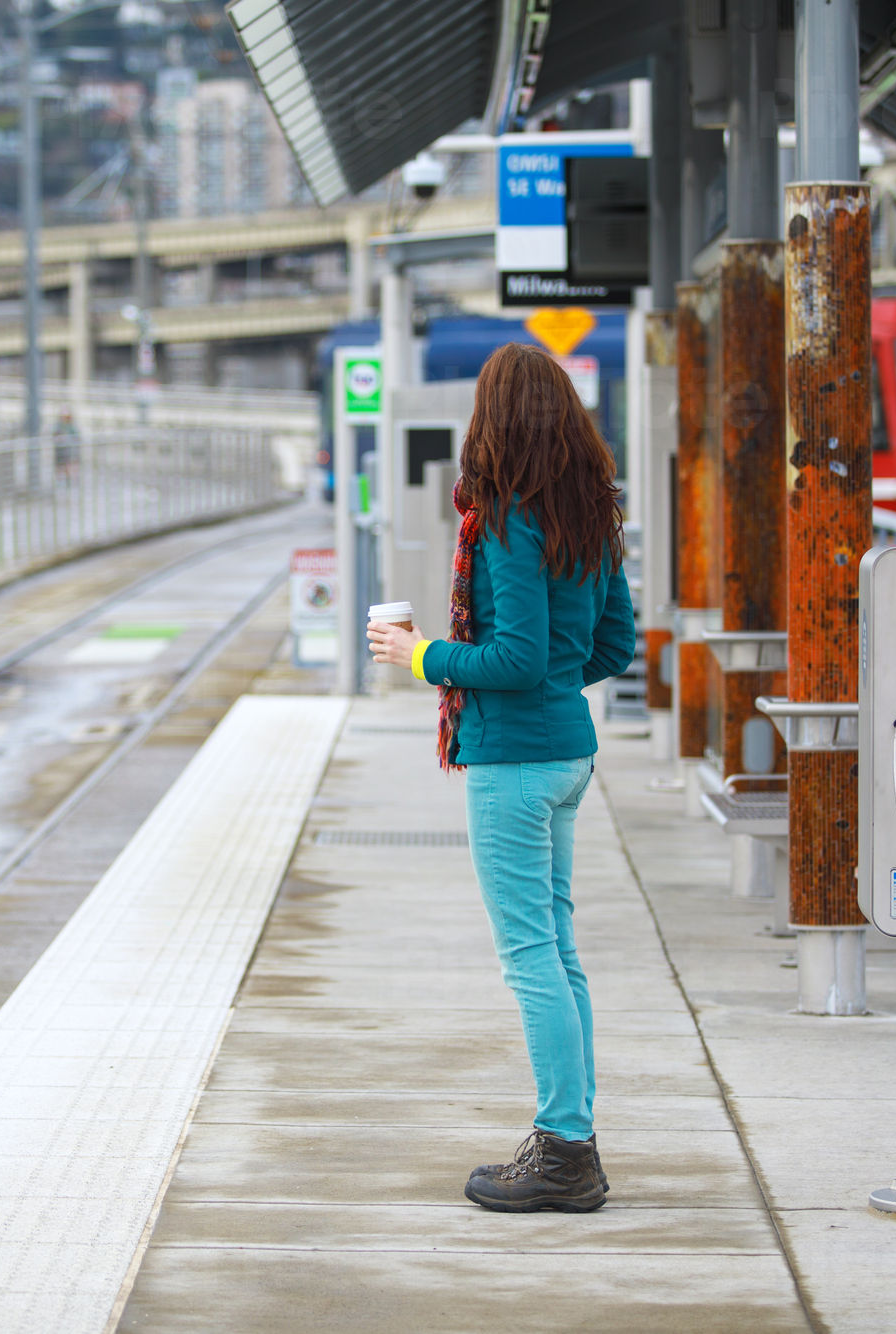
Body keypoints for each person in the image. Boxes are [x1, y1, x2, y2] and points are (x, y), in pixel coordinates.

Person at [368, 341, 635, 1213]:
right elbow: (612, 646)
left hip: (516, 761)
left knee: (531, 957)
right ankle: (573, 1138)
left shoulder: (511, 517)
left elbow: (516, 657)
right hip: (567, 754)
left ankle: (564, 1152)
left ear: (490, 421)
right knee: (557, 950)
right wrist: (554, 685)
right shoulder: (590, 511)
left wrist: (423, 657)